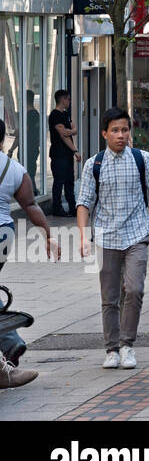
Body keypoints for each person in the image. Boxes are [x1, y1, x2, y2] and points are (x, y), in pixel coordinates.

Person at [75, 108, 149, 370]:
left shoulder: (142, 159)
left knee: (134, 289)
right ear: (104, 133)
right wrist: (83, 238)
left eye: (125, 130)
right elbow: (84, 203)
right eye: (115, 130)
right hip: (106, 236)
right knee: (110, 296)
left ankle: (127, 345)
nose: (120, 135)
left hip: (137, 235)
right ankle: (111, 349)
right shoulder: (94, 164)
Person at [0, 121, 55, 389]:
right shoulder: (15, 169)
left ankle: (5, 361)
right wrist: (48, 234)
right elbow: (30, 205)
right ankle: (11, 344)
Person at [47, 89, 80, 216]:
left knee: (69, 182)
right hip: (58, 155)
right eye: (68, 99)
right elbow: (64, 134)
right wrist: (75, 150)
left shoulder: (66, 114)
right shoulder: (55, 115)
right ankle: (57, 208)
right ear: (63, 99)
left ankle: (73, 207)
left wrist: (70, 131)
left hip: (67, 154)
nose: (69, 102)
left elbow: (72, 129)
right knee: (59, 182)